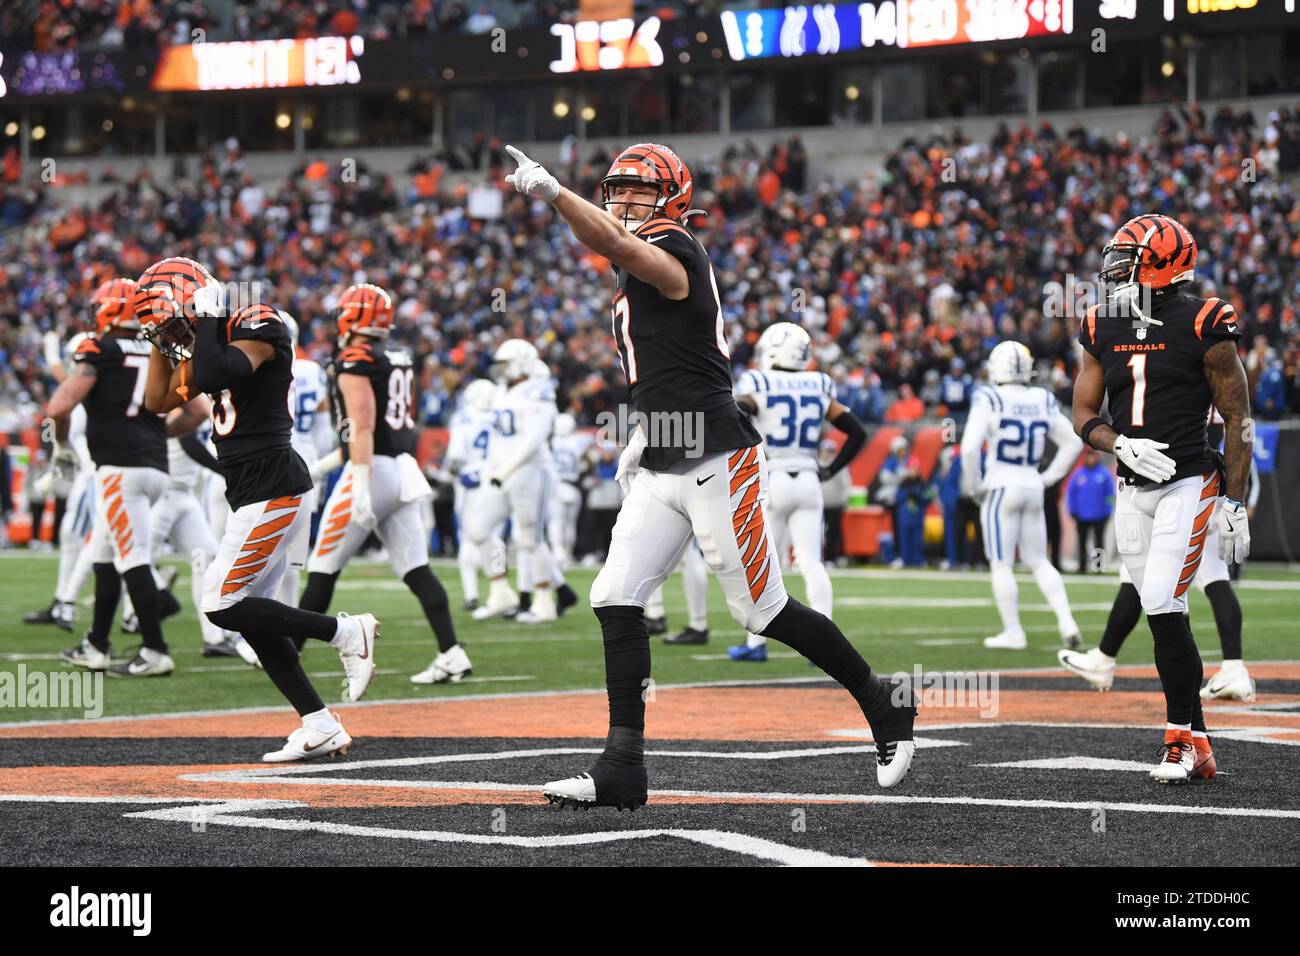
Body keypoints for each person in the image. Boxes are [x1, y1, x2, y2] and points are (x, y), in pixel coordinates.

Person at [504, 142, 917, 808]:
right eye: (616, 189)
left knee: (761, 611)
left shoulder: (677, 248)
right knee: (614, 597)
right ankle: (622, 768)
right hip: (667, 455)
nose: (621, 200)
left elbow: (624, 248)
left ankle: (886, 703)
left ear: (671, 198)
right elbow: (669, 364)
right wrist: (642, 432)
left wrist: (555, 195)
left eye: (636, 190)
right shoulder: (637, 256)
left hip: (718, 457)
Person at [137, 258, 380, 761]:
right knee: (251, 615)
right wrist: (159, 341)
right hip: (252, 488)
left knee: (222, 603)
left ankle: (344, 630)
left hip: (275, 483)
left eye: (174, 319)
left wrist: (203, 320)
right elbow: (158, 399)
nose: (176, 332)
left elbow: (217, 370)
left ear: (198, 300)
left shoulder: (256, 321)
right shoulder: (207, 336)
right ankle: (319, 724)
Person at [1073, 213, 1252, 784]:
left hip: (1189, 480)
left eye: (1126, 259)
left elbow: (1237, 418)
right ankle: (1199, 743)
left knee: (1161, 601)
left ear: (1159, 263)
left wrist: (1235, 501)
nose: (1114, 271)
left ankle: (1177, 742)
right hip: (1133, 487)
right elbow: (1083, 415)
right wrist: (1119, 442)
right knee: (1160, 610)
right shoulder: (1101, 323)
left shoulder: (1205, 319)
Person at [295, 283, 468, 685]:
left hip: (371, 469)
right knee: (416, 569)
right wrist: (319, 470)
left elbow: (362, 425)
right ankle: (452, 653)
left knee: (323, 567)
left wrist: (357, 483)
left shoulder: (355, 357)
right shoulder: (398, 354)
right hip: (402, 469)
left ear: (353, 317)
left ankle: (288, 653)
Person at [46, 277, 177, 677]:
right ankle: (96, 645)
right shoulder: (160, 347)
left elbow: (60, 405)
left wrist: (62, 445)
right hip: (154, 466)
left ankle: (155, 650)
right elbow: (194, 413)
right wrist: (149, 435)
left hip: (120, 469)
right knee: (105, 556)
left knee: (131, 558)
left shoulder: (98, 348)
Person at [728, 322, 868, 662]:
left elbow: (738, 411)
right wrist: (830, 470)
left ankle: (755, 645)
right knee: (812, 562)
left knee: (760, 564)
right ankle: (826, 645)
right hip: (807, 478)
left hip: (770, 477)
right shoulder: (818, 383)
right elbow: (857, 432)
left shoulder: (757, 381)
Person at [960, 340, 1083, 650]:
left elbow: (970, 448)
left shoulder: (989, 396)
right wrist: (1048, 478)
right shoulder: (1041, 397)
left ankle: (1013, 632)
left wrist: (975, 485)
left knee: (1001, 563)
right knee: (1040, 561)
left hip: (1001, 483)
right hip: (1031, 484)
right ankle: (1067, 621)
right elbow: (1074, 442)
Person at [1065, 449, 1114, 573]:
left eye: (1093, 457)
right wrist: (1072, 510)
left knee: (1099, 542)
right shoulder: (1078, 474)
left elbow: (1109, 494)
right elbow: (1071, 494)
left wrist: (1108, 510)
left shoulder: (1104, 474)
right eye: (1088, 457)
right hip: (1081, 515)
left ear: (1096, 458)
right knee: (1082, 542)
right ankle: (1082, 567)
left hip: (1099, 515)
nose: (1090, 459)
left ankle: (1098, 568)